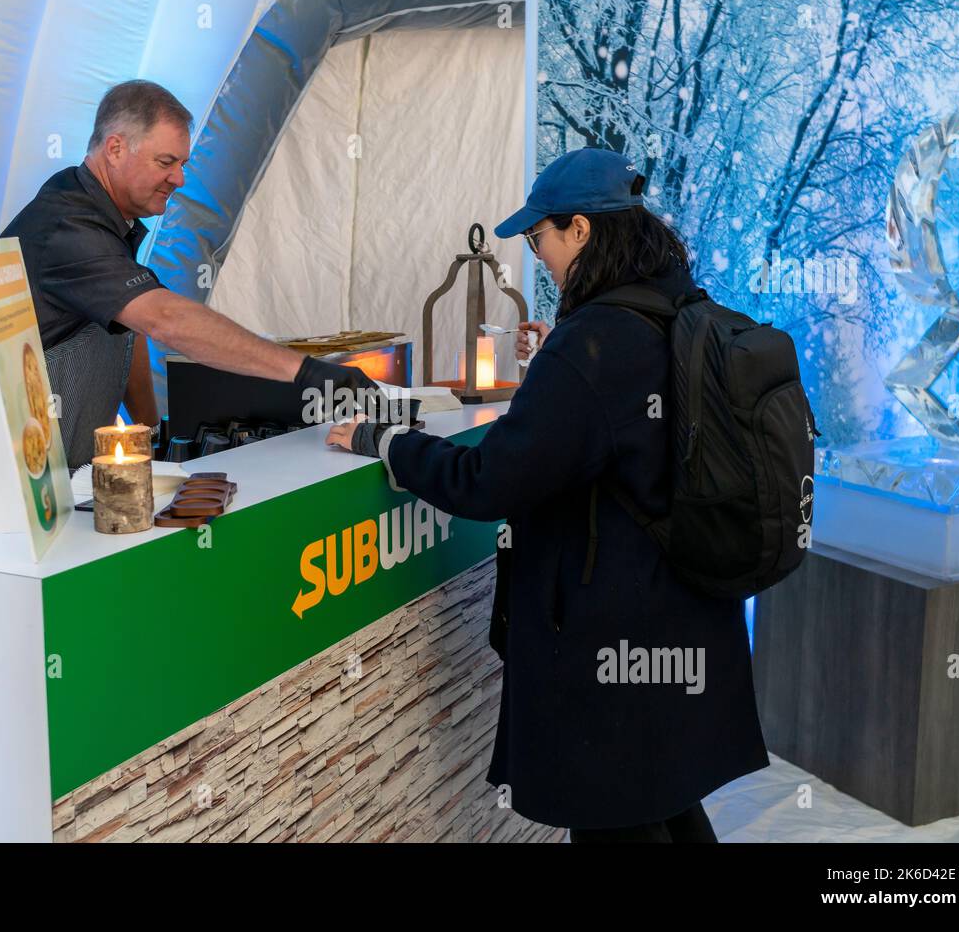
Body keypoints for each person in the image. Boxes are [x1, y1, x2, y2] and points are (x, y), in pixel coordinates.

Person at [327, 147, 769, 842]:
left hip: (611, 641)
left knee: (619, 822)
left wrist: (384, 442)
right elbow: (624, 421)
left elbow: (487, 480)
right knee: (667, 809)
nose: (539, 256)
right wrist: (563, 353)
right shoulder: (679, 307)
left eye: (540, 238)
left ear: (582, 231)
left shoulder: (595, 341)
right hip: (683, 617)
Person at [0, 80, 376, 506]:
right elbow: (163, 319)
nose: (179, 179)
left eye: (183, 164)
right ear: (115, 148)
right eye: (166, 162)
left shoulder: (106, 218)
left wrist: (150, 432)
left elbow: (127, 326)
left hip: (38, 455)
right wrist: (304, 372)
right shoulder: (67, 226)